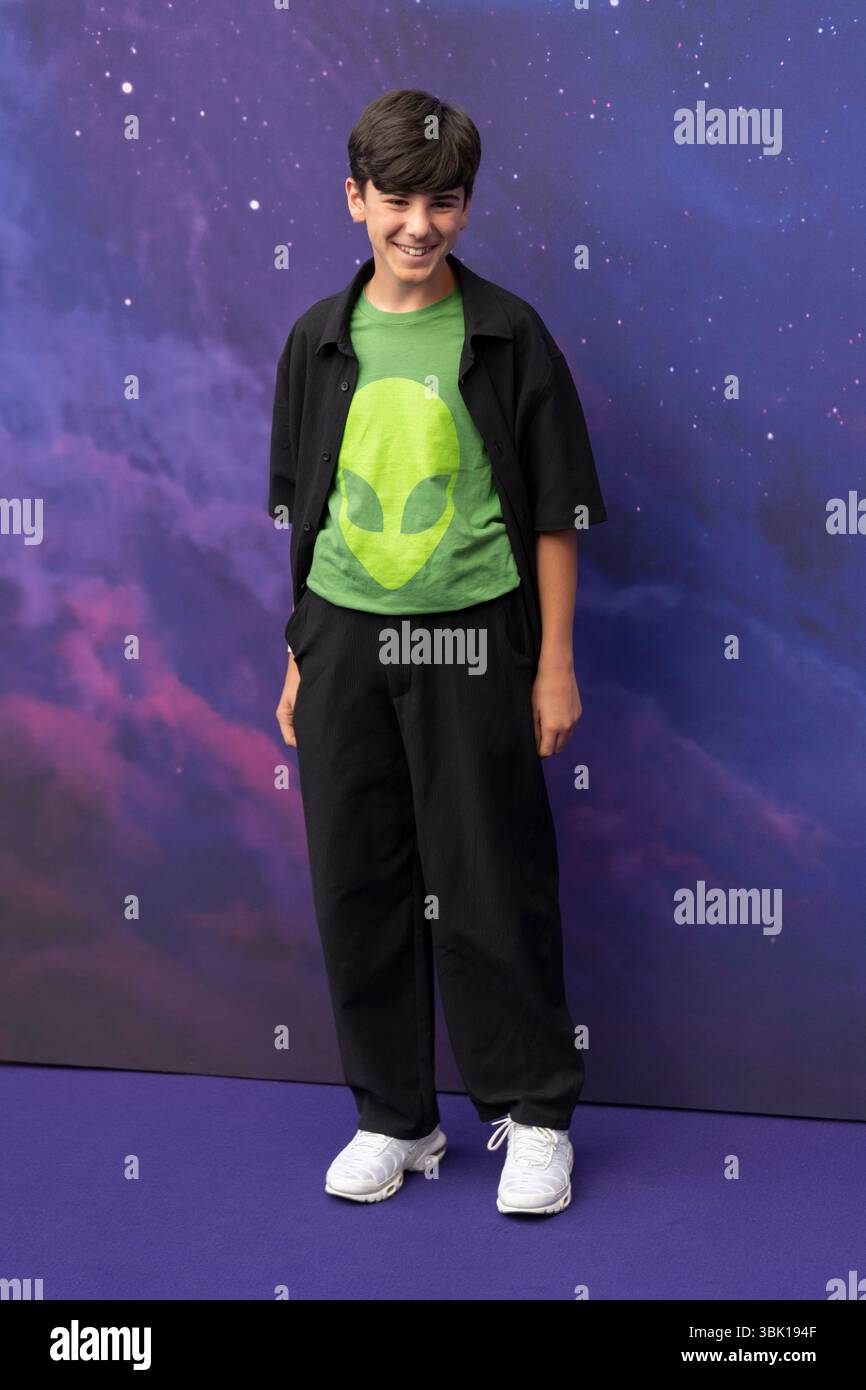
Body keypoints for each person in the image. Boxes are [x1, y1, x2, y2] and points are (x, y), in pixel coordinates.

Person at [268, 89, 607, 1216]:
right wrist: (299, 654)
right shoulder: (318, 340)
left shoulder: (507, 335)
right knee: (356, 875)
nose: (418, 224)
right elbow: (305, 514)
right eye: (396, 201)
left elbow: (555, 512)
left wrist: (550, 661)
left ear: (465, 207)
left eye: (443, 202)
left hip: (473, 637)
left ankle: (535, 1116)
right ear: (354, 199)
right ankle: (394, 1118)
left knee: (486, 874)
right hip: (341, 639)